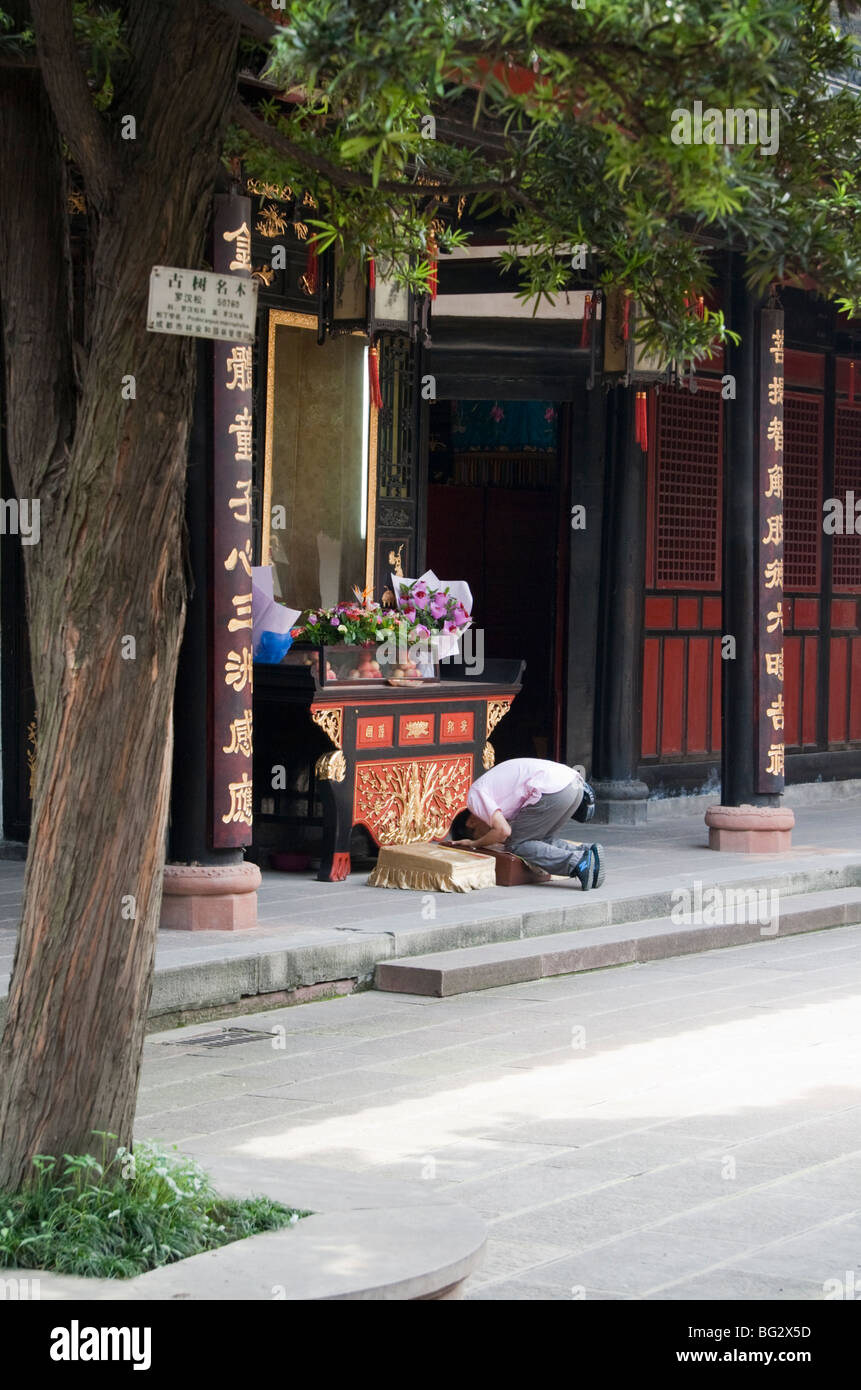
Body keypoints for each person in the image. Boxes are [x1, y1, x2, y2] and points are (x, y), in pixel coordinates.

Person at [450, 758, 605, 890]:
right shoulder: (492, 792)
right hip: (574, 785)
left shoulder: (474, 797)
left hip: (553, 789)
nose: (490, 838)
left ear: (471, 822)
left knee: (516, 844)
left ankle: (578, 862)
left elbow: (503, 831)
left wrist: (475, 843)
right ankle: (587, 851)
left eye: (483, 835)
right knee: (538, 839)